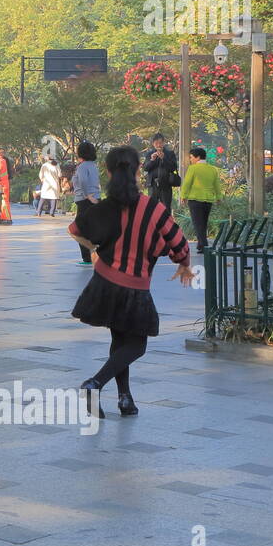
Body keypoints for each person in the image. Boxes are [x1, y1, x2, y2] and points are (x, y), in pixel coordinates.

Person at [69, 146, 192, 419]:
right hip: (134, 287)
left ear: (108, 171)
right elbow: (179, 243)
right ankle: (95, 384)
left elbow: (75, 229)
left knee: (120, 339)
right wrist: (183, 263)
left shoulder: (104, 207)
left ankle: (125, 399)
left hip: (104, 282)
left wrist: (95, 249)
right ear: (138, 170)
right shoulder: (153, 208)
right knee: (136, 345)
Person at [180, 146, 222, 251]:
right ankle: (201, 244)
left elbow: (187, 183)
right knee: (203, 223)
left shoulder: (193, 168)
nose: (190, 159)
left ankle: (204, 245)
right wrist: (218, 197)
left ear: (198, 157)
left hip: (195, 200)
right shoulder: (212, 169)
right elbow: (216, 184)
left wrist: (183, 196)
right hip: (208, 201)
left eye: (191, 157)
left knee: (197, 223)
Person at [70, 141, 101, 265]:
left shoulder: (82, 166)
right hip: (95, 199)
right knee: (92, 229)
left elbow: (83, 181)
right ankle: (95, 256)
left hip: (85, 201)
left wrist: (87, 195)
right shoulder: (93, 165)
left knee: (78, 230)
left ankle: (87, 258)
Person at [143, 132, 179, 209]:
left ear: (163, 143)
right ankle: (153, 221)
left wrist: (164, 158)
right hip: (153, 185)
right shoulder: (149, 154)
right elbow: (145, 168)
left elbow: (173, 167)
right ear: (153, 144)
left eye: (160, 143)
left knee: (166, 208)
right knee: (152, 208)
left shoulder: (170, 153)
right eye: (156, 143)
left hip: (166, 185)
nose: (158, 145)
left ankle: (165, 221)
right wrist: (152, 160)